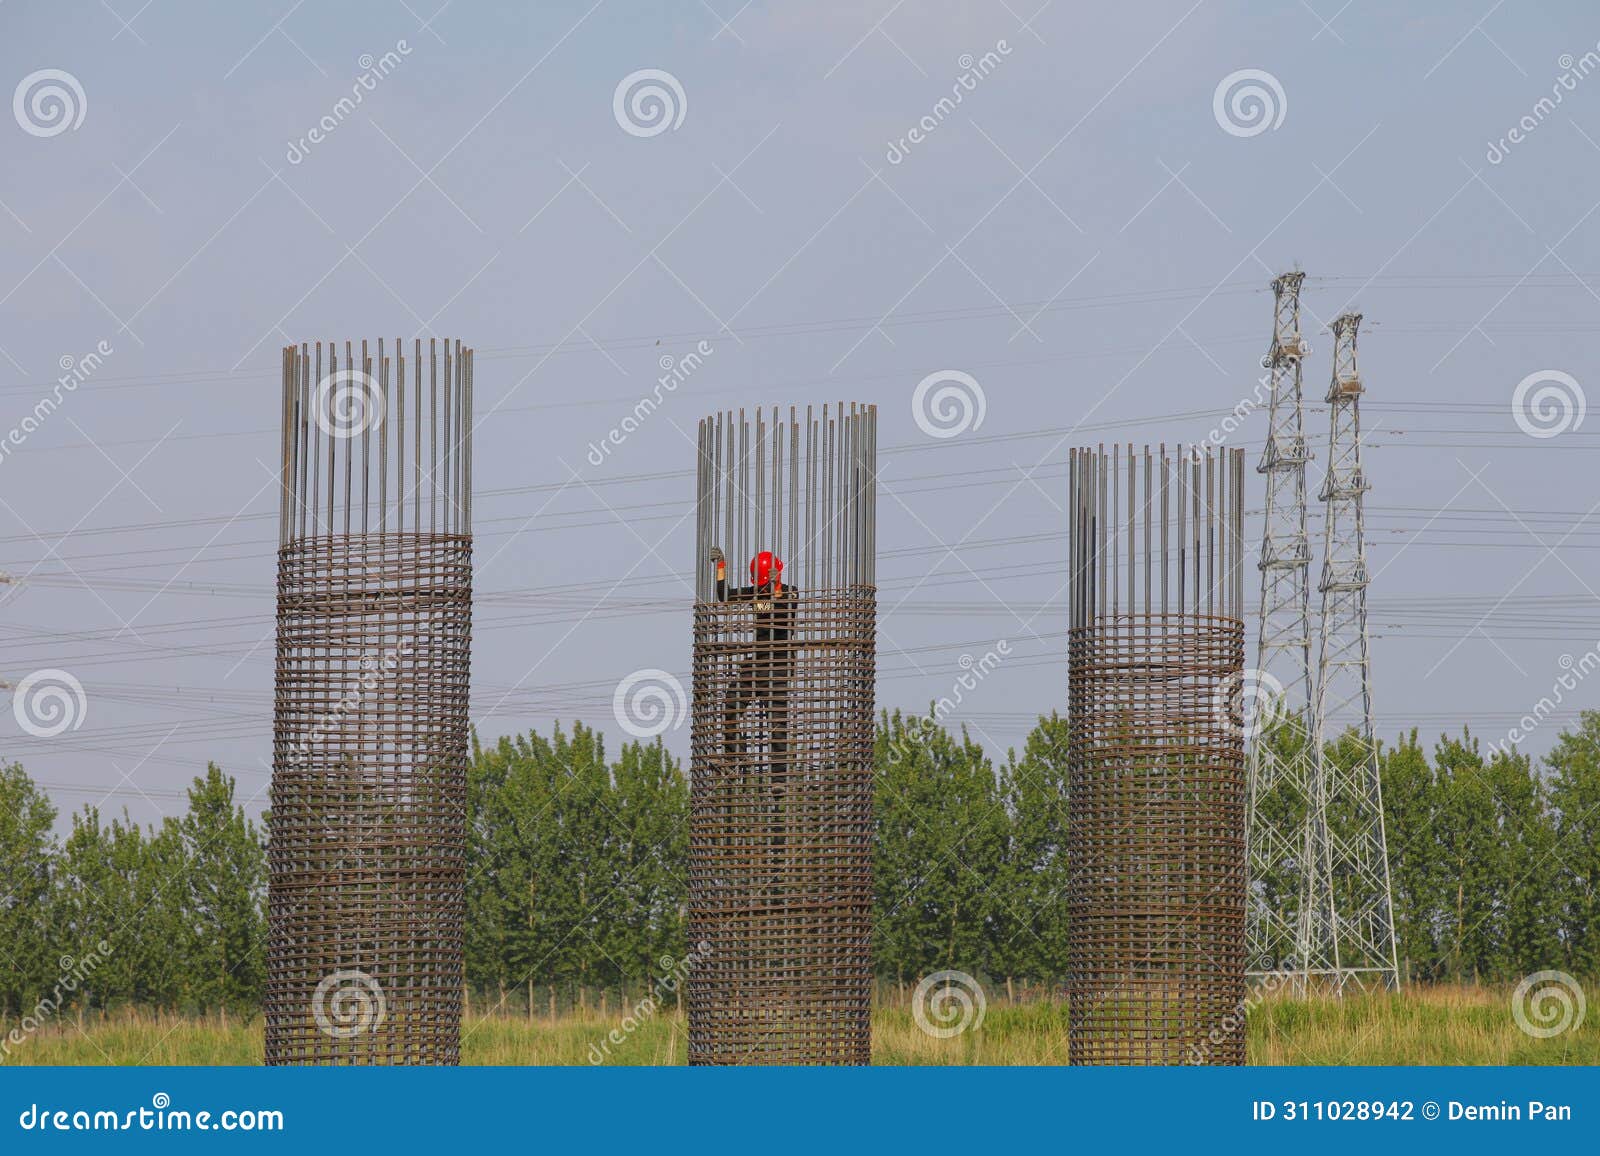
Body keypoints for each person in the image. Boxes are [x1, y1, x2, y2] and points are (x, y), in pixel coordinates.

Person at [710, 547, 799, 767]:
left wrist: (776, 587)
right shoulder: (756, 592)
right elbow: (725, 597)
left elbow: (783, 609)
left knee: (777, 724)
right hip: (757, 662)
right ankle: (736, 754)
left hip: (779, 665)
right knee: (730, 704)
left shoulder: (791, 592)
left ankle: (778, 777)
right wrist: (721, 566)